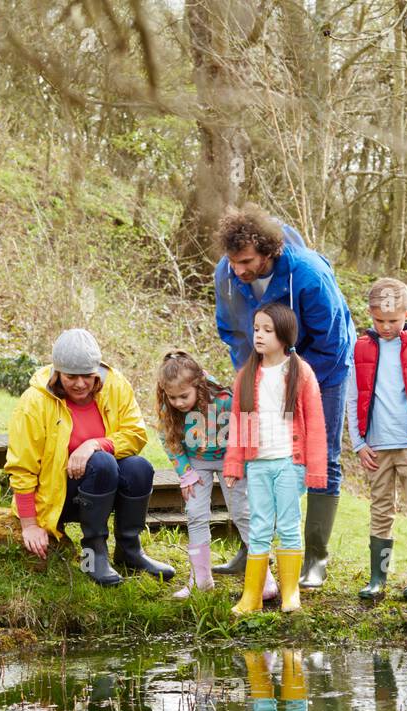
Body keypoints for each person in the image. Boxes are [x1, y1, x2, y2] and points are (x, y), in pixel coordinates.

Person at [212, 204, 353, 590]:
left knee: (320, 454)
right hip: (262, 369)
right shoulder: (226, 275)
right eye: (232, 260)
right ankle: (253, 548)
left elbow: (333, 342)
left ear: (269, 252)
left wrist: (295, 386)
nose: (238, 269)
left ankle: (314, 557)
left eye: (246, 261)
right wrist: (254, 380)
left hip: (324, 368)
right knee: (257, 451)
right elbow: (232, 331)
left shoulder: (308, 274)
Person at [4, 328, 175, 587]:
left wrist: (94, 444)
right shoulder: (34, 402)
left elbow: (136, 434)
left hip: (103, 491)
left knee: (139, 467)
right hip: (59, 495)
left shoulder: (115, 385)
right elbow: (21, 467)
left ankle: (130, 550)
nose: (80, 384)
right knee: (103, 463)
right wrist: (29, 524)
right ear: (57, 373)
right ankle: (92, 557)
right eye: (71, 376)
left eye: (87, 376)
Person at [346, 277, 407, 601]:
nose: (386, 327)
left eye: (393, 320)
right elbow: (352, 398)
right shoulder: (360, 348)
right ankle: (379, 577)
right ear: (370, 315)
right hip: (377, 447)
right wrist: (359, 443)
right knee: (380, 510)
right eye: (379, 320)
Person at [223, 303, 328, 614]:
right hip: (257, 465)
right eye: (256, 329)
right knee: (258, 526)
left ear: (284, 336)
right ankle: (251, 596)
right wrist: (233, 464)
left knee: (288, 524)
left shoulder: (301, 372)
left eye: (267, 330)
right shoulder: (246, 375)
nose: (259, 335)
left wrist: (316, 470)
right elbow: (238, 424)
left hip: (289, 463)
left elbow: (317, 423)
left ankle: (290, 593)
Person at [155, 349, 277, 601]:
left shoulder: (223, 399)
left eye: (183, 396)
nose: (178, 402)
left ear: (198, 385)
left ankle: (264, 579)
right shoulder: (169, 406)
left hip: (229, 458)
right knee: (196, 514)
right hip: (195, 462)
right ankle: (201, 580)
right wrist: (185, 473)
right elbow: (168, 439)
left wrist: (239, 463)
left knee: (243, 512)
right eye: (173, 397)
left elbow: (246, 429)